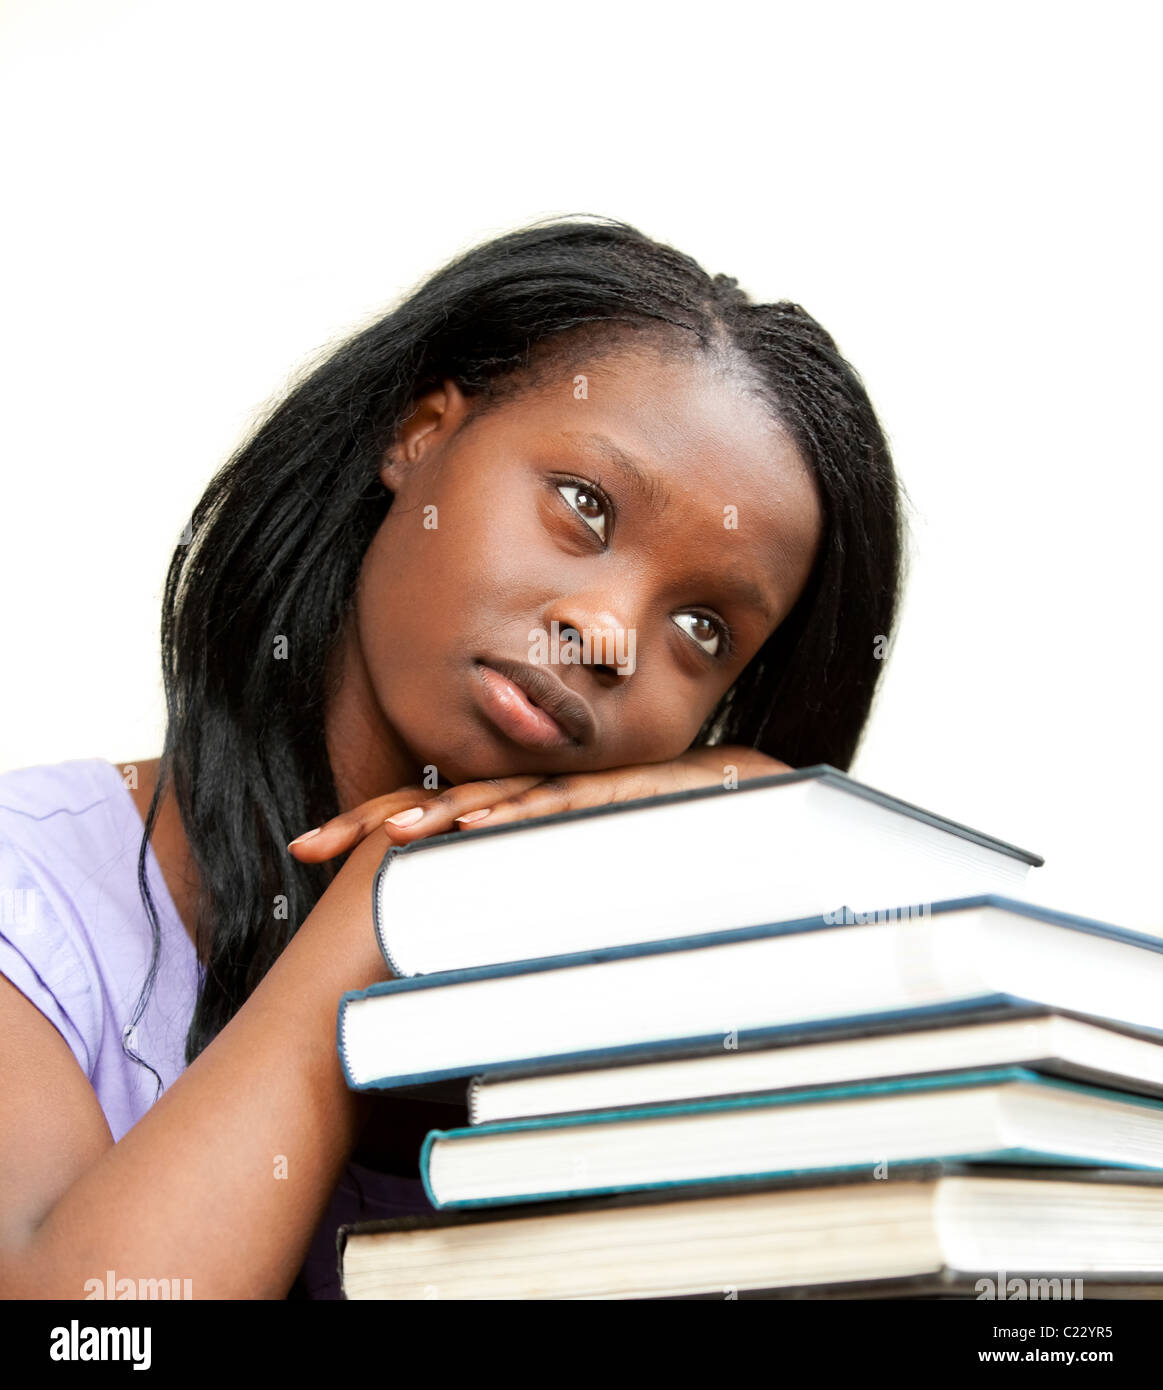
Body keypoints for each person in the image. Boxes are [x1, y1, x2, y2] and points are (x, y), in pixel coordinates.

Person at [0, 215, 903, 1299]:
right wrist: (382, 916)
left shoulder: (656, 1029)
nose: (608, 632)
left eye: (703, 628)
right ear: (420, 432)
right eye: (584, 506)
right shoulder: (34, 905)